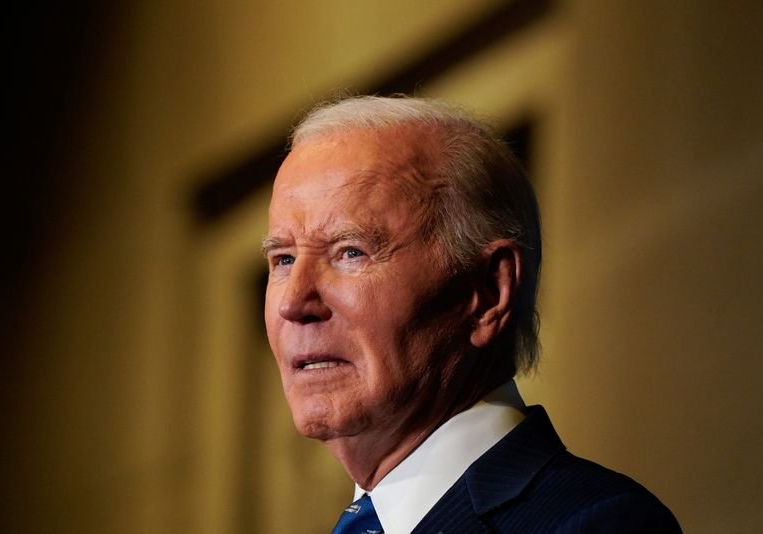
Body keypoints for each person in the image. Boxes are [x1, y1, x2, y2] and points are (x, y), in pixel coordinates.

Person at [263, 95, 680, 533]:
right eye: (283, 259)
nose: (294, 304)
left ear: (488, 292)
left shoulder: (596, 524)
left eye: (351, 252)